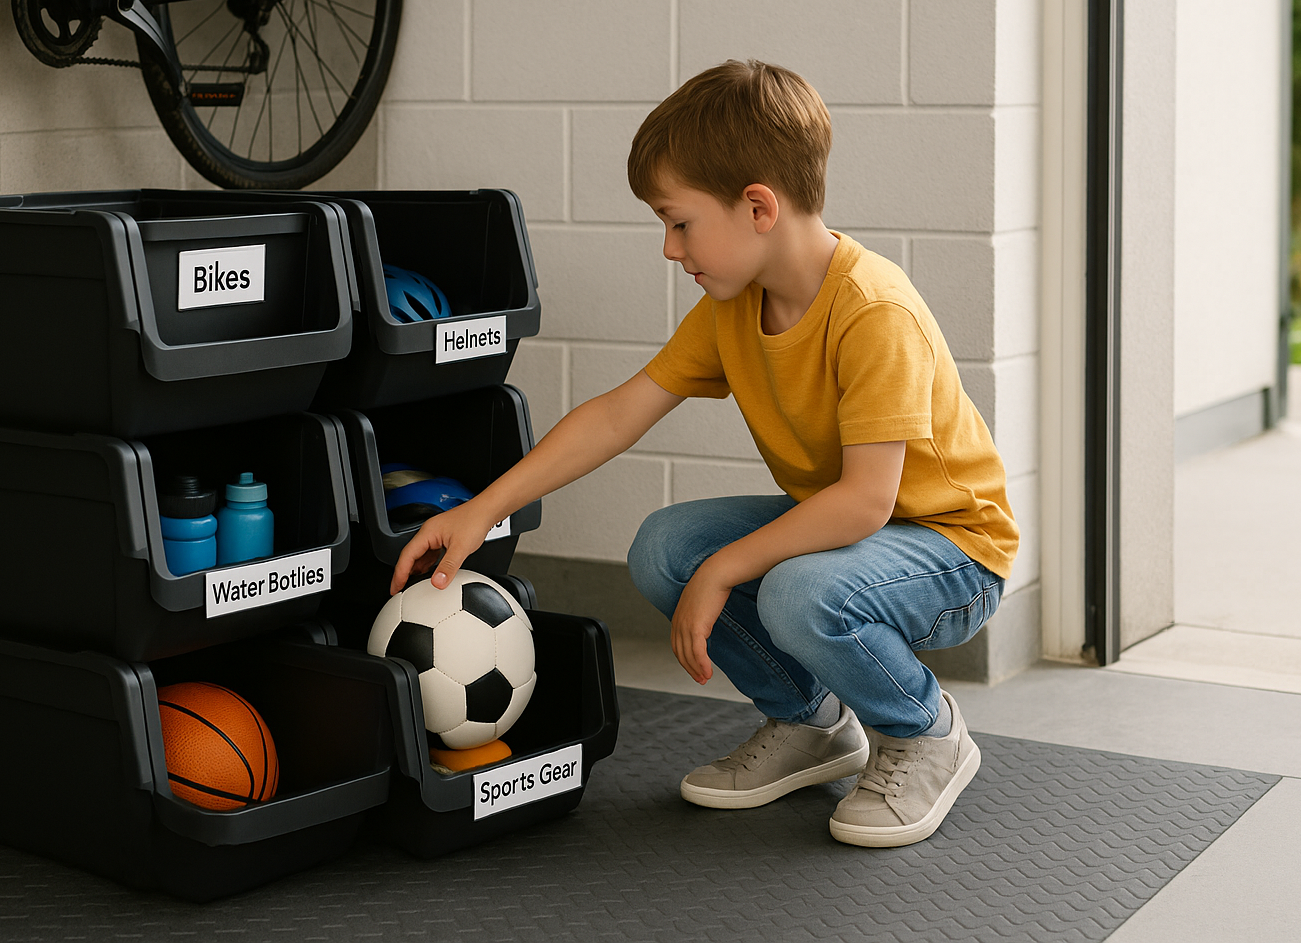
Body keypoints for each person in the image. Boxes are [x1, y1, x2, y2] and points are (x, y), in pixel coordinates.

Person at [390, 59, 1019, 849]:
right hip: (856, 535)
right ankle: (813, 723)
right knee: (666, 549)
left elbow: (866, 501)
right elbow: (619, 414)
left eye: (678, 221)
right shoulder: (735, 305)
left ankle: (927, 730)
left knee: (791, 591)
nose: (668, 247)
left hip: (954, 549)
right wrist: (483, 511)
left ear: (758, 206)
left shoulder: (872, 311)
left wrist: (727, 572)